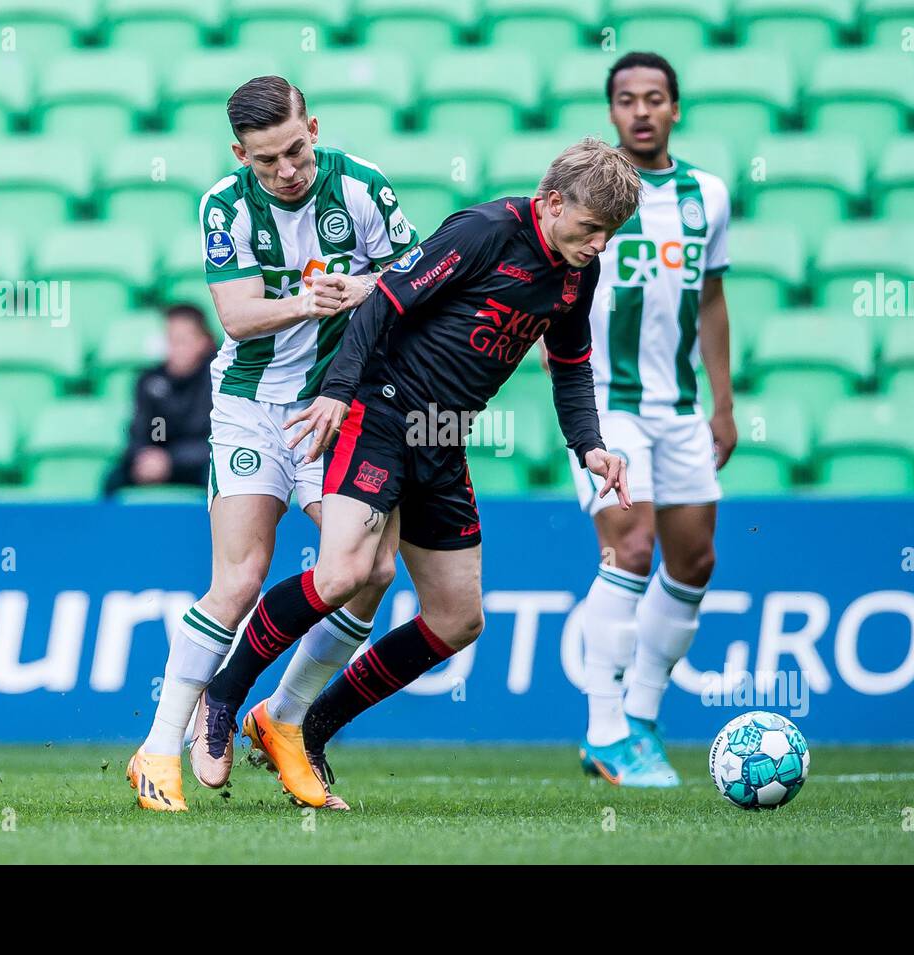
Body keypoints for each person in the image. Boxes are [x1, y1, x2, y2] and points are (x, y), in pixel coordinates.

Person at [199, 138, 640, 808]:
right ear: (551, 203)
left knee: (459, 617)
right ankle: (226, 694)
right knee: (344, 571)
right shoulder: (485, 231)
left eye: (610, 235)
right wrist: (340, 391)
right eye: (590, 229)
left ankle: (302, 726)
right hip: (380, 411)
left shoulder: (580, 271)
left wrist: (591, 446)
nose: (600, 244)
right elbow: (383, 303)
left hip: (441, 437)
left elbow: (571, 360)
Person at [126, 74, 419, 812]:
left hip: (336, 408)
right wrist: (316, 297)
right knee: (240, 577)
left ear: (312, 127)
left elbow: (419, 279)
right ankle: (160, 749)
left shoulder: (362, 190)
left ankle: (282, 717)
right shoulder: (223, 204)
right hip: (252, 407)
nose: (287, 170)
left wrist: (368, 290)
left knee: (373, 569)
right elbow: (235, 315)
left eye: (295, 151)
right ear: (240, 154)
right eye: (267, 161)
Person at [574, 52, 736, 787]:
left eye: (655, 98)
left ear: (675, 108)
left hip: (680, 407)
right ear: (611, 112)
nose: (641, 111)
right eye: (627, 99)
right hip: (608, 402)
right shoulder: (586, 192)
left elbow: (709, 300)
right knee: (630, 547)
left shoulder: (709, 195)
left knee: (693, 559)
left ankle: (640, 716)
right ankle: (604, 729)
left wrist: (724, 403)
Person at [104, 303, 215, 496]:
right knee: (113, 478)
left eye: (181, 341)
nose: (174, 348)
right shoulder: (149, 380)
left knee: (216, 475)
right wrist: (144, 456)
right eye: (169, 340)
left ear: (203, 342)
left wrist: (171, 460)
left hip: (198, 464)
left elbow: (216, 441)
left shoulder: (219, 378)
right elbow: (138, 432)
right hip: (157, 462)